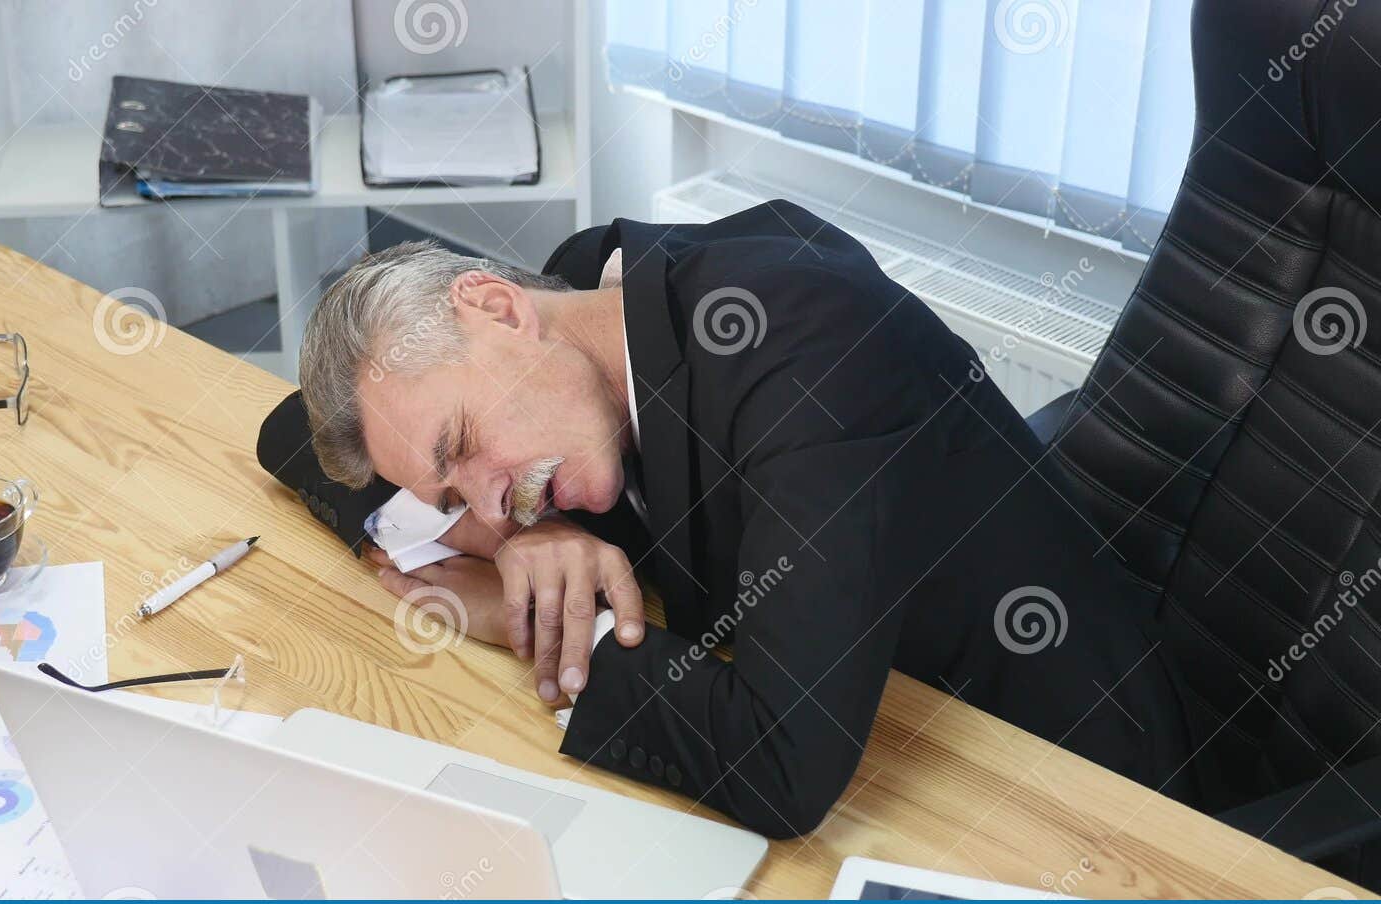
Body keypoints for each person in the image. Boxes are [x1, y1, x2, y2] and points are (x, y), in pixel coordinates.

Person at [257, 201, 1198, 838]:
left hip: (1066, 792)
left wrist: (537, 620)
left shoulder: (809, 356)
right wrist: (535, 534)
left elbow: (781, 770)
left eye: (464, 443)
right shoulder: (586, 287)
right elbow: (286, 436)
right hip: (885, 732)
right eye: (452, 494)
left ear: (499, 308)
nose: (487, 501)